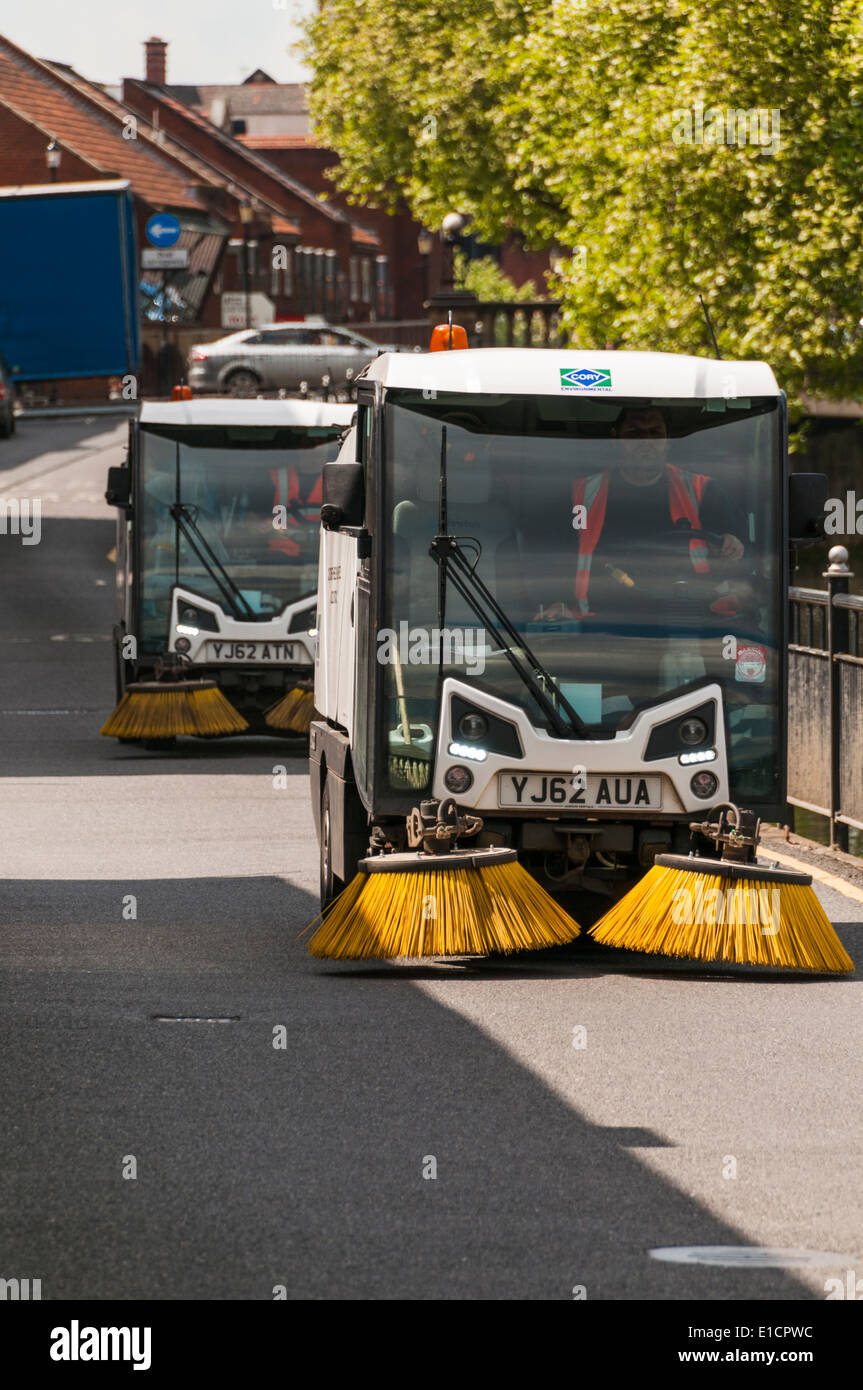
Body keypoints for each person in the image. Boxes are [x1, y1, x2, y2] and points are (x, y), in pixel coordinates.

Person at [539, 405, 746, 621]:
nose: (646, 440)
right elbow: (549, 555)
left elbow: (749, 550)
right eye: (634, 432)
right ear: (614, 439)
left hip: (690, 621)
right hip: (600, 623)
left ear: (668, 441)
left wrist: (734, 545)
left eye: (655, 433)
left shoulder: (703, 492)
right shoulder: (580, 497)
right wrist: (557, 601)